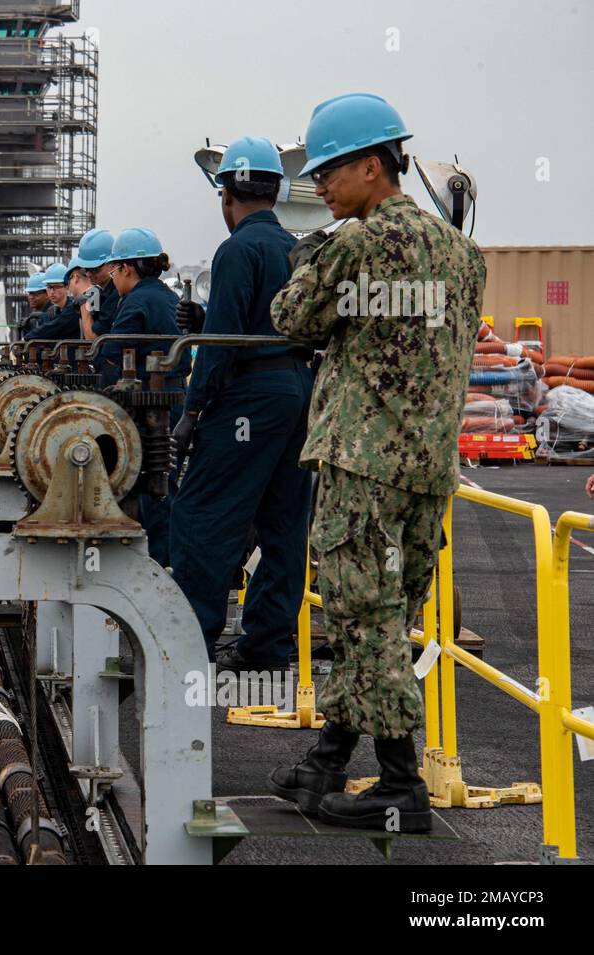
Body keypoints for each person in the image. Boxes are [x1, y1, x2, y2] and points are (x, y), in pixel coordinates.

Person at [268, 94, 486, 833]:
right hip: (428, 468)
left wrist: (306, 266)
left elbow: (293, 320)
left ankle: (400, 784)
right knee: (390, 616)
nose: (320, 187)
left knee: (364, 618)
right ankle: (327, 760)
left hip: (362, 462)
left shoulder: (355, 246)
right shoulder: (462, 254)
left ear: (373, 165)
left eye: (330, 171)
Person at [167, 136, 313, 672]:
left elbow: (227, 342)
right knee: (283, 523)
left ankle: (189, 646)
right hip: (297, 391)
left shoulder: (236, 250)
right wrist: (209, 323)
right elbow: (278, 325)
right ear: (277, 190)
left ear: (226, 194)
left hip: (250, 396)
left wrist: (191, 411)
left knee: (202, 515)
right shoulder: (296, 249)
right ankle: (268, 647)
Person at [96, 227, 188, 566]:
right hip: (175, 397)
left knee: (155, 486)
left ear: (126, 269)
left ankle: (162, 562)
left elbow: (110, 352)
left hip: (153, 404)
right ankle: (169, 559)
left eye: (114, 269)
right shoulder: (167, 296)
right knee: (166, 481)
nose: (112, 276)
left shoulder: (135, 301)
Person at [73, 228, 118, 340]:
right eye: (85, 269)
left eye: (94, 269)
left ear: (112, 264)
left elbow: (93, 339)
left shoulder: (115, 295)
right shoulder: (102, 293)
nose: (88, 274)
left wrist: (85, 304)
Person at [27, 263, 78, 340]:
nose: (52, 291)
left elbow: (55, 327)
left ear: (67, 287)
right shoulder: (53, 311)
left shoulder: (74, 308)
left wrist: (25, 339)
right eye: (49, 287)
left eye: (56, 287)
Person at [19, 272, 49, 340]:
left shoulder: (55, 312)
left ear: (47, 293)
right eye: (30, 293)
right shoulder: (34, 317)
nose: (31, 297)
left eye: (35, 294)